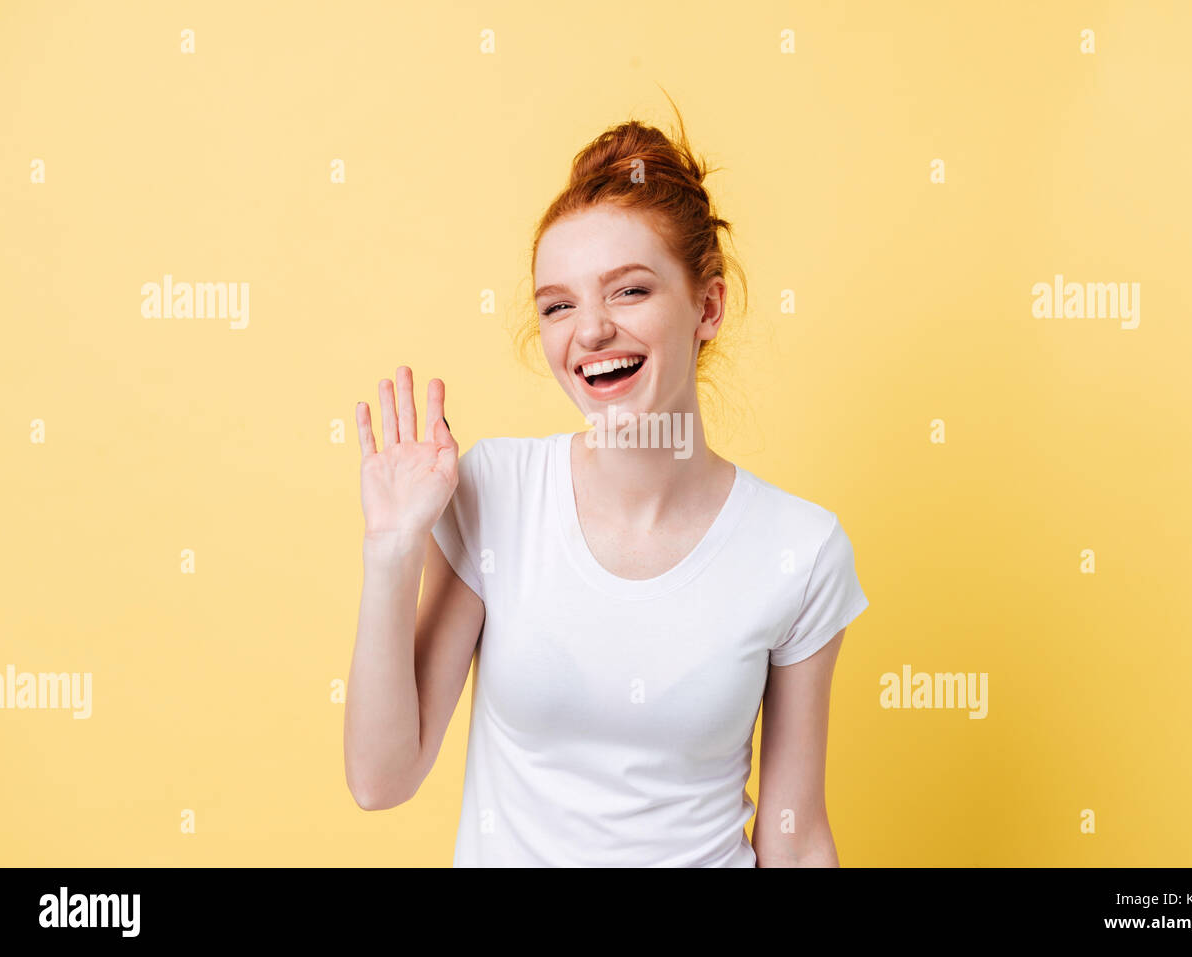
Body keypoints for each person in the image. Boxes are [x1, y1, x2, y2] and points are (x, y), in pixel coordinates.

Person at [343, 101, 870, 866]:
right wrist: (391, 551)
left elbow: (793, 839)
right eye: (559, 305)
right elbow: (380, 778)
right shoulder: (497, 492)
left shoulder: (801, 548)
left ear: (708, 307)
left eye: (628, 290)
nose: (589, 330)